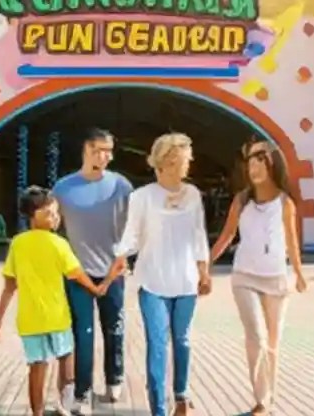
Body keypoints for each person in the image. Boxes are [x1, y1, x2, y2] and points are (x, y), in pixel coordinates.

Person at [102, 132, 210, 416]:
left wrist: (204, 270)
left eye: (188, 160)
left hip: (186, 281)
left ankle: (181, 394)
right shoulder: (142, 197)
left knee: (183, 340)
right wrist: (120, 256)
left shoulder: (193, 195)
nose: (187, 166)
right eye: (183, 160)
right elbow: (132, 235)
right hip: (152, 282)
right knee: (158, 344)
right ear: (167, 162)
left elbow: (199, 235)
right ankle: (159, 409)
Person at [210, 137, 308, 416]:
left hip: (276, 278)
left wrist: (299, 274)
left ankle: (269, 399)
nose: (253, 167)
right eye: (250, 161)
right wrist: (206, 265)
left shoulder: (285, 202)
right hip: (244, 277)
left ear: (272, 164)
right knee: (257, 338)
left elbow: (291, 241)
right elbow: (228, 235)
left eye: (259, 160)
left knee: (273, 344)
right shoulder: (242, 200)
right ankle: (261, 400)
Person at [0, 186, 106, 416]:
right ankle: (64, 400)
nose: (55, 217)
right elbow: (77, 273)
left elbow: (9, 286)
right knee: (66, 357)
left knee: (37, 366)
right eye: (49, 212)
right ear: (32, 215)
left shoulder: (18, 244)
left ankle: (37, 412)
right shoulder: (58, 244)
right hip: (57, 316)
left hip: (30, 320)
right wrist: (96, 288)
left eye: (56, 213)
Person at [51, 128, 132, 413]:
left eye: (109, 150)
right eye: (98, 149)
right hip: (77, 273)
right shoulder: (63, 188)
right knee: (83, 333)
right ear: (86, 150)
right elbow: (53, 230)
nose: (104, 155)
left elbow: (132, 227)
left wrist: (124, 260)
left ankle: (115, 377)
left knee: (114, 329)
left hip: (113, 271)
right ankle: (83, 393)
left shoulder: (121, 186)